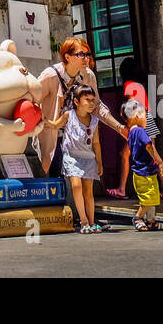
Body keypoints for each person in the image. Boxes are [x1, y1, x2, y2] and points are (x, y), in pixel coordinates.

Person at [34, 36, 128, 176]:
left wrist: (119, 128)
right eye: (80, 54)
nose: (86, 58)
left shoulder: (88, 76)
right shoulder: (51, 76)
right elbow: (32, 100)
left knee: (78, 179)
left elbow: (96, 106)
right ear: (67, 57)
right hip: (53, 133)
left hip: (76, 135)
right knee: (57, 173)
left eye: (87, 54)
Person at [107, 57, 163, 199]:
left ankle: (122, 189)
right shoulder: (141, 86)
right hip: (148, 119)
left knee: (124, 154)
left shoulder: (129, 85)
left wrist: (128, 124)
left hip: (139, 121)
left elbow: (132, 106)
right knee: (153, 156)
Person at [59, 87, 110, 233]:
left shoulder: (94, 121)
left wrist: (99, 162)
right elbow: (56, 125)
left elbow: (96, 143)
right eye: (87, 100)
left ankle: (92, 222)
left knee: (88, 192)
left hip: (89, 158)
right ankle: (83, 221)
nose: (91, 103)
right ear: (76, 101)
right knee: (76, 186)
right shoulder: (69, 115)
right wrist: (44, 121)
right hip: (72, 157)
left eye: (93, 100)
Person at [122, 98, 163, 231]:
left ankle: (151, 221)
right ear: (136, 116)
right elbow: (149, 146)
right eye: (145, 115)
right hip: (145, 172)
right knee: (149, 198)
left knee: (151, 197)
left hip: (141, 172)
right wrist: (161, 163)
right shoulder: (140, 131)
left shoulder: (131, 132)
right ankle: (138, 217)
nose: (147, 119)